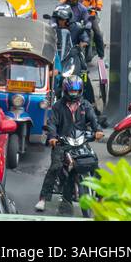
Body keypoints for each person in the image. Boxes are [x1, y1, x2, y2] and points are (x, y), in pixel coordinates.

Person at [36, 76, 103, 214]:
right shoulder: (57, 106)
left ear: (80, 91)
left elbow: (93, 119)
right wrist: (53, 137)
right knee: (56, 167)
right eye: (71, 91)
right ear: (66, 91)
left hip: (80, 141)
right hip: (62, 142)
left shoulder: (85, 105)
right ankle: (43, 198)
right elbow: (52, 123)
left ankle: (101, 196)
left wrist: (98, 130)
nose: (74, 94)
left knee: (95, 164)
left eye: (76, 92)